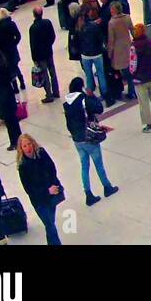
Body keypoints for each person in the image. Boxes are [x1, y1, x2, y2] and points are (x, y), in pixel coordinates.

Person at [63, 77, 118, 206]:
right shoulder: (83, 100)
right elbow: (99, 109)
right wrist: (92, 96)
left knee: (84, 166)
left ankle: (88, 194)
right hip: (89, 137)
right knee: (99, 164)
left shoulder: (66, 103)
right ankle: (107, 187)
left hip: (77, 140)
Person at [16, 134, 64, 245]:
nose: (28, 148)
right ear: (21, 149)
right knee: (50, 225)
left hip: (53, 194)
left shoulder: (41, 153)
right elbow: (29, 189)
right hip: (39, 201)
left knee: (50, 224)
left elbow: (52, 168)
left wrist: (53, 186)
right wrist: (47, 191)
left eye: (29, 144)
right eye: (24, 146)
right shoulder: (23, 166)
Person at [77, 6, 113, 106]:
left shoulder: (79, 27)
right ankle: (107, 97)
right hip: (97, 53)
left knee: (89, 76)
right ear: (88, 14)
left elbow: (78, 42)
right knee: (101, 75)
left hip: (85, 55)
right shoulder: (95, 26)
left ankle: (90, 98)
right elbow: (100, 39)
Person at [0, 48, 21, 150]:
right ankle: (19, 138)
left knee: (8, 121)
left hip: (1, 96)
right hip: (9, 93)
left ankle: (13, 142)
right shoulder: (4, 64)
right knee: (14, 119)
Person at [28, 6, 59, 103]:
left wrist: (34, 58)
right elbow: (53, 36)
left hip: (40, 55)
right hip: (48, 51)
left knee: (44, 74)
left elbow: (32, 44)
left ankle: (49, 95)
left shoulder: (33, 28)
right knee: (52, 72)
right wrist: (49, 44)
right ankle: (56, 91)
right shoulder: (47, 22)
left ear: (34, 15)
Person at [106, 1, 136, 100]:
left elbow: (111, 40)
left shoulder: (112, 23)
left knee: (125, 71)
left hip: (118, 50)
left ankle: (132, 91)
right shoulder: (127, 18)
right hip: (128, 46)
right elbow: (132, 30)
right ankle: (132, 90)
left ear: (114, 10)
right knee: (129, 69)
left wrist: (109, 53)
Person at [0, 7, 25, 90]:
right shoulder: (11, 24)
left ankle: (15, 87)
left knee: (10, 69)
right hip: (12, 49)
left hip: (4, 52)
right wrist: (14, 44)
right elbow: (18, 36)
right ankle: (22, 82)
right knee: (15, 66)